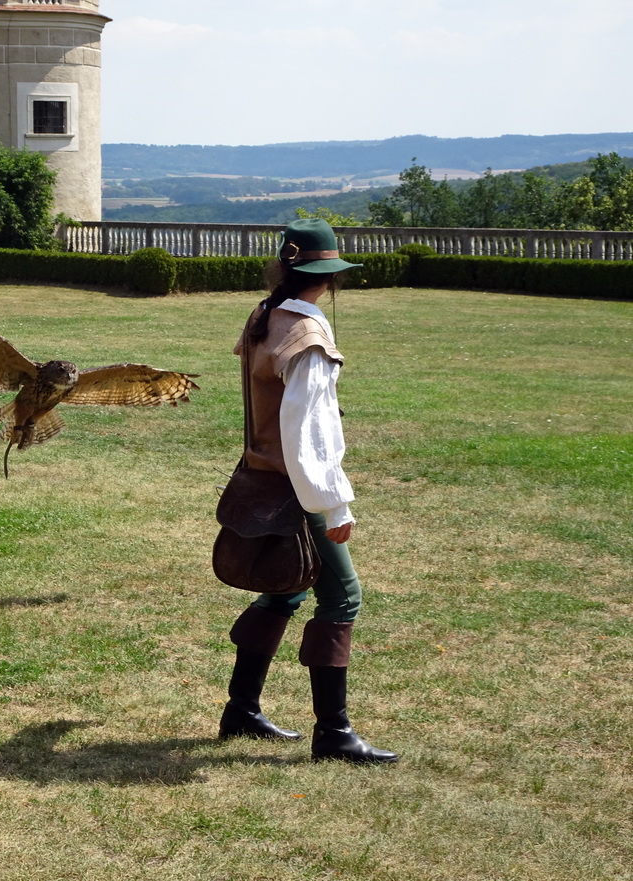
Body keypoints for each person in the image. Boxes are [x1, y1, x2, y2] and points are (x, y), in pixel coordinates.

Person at [217, 218, 397, 765]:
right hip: (296, 490)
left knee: (286, 589)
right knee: (341, 595)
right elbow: (307, 430)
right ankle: (334, 734)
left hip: (261, 480)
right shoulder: (307, 333)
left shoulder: (266, 314)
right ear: (329, 276)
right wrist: (333, 503)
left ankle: (241, 710)